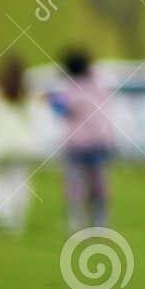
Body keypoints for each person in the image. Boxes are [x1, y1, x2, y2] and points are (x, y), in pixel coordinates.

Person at [47, 47, 116, 232]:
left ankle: (77, 221)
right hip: (100, 141)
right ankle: (101, 221)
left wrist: (49, 99)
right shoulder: (99, 85)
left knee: (75, 185)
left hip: (76, 144)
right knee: (99, 184)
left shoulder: (70, 89)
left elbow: (62, 109)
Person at [0, 58, 42, 234]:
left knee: (0, 180)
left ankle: (2, 214)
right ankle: (16, 221)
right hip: (22, 145)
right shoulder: (27, 93)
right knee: (21, 182)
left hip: (0, 144)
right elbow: (35, 117)